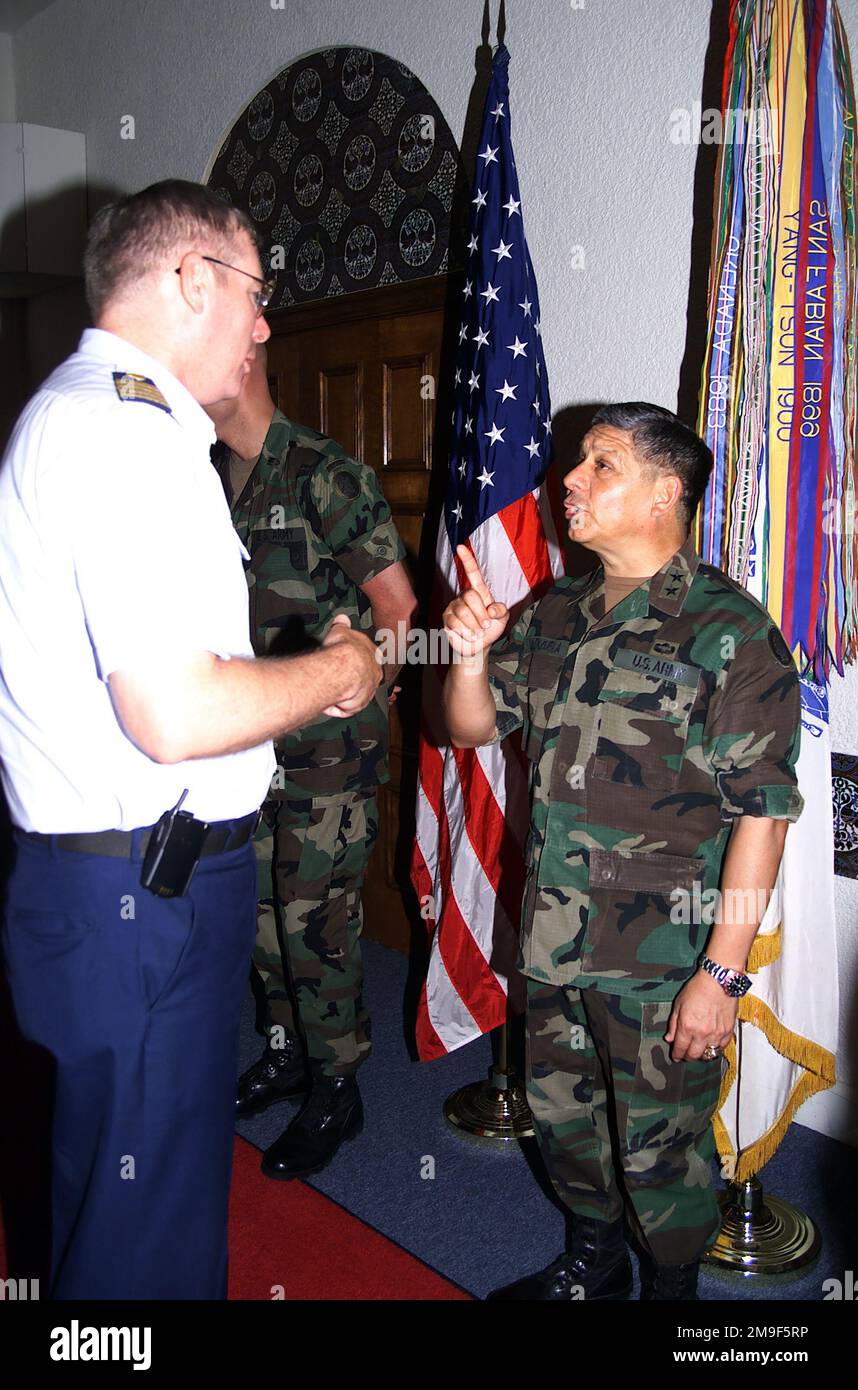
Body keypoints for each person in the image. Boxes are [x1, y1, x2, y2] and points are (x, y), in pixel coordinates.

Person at [0, 180, 381, 1300]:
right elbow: (173, 713)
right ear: (190, 280)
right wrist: (340, 671)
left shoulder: (84, 411)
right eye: (256, 295)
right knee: (145, 1242)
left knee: (106, 1203)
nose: (265, 327)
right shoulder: (130, 436)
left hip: (106, 887)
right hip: (145, 895)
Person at [441, 402, 803, 1301]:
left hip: (659, 956)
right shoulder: (554, 610)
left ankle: (674, 1298)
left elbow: (765, 813)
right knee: (565, 1123)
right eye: (579, 462)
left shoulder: (731, 632)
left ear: (664, 494)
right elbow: (471, 728)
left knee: (662, 1150)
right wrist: (470, 656)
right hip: (552, 935)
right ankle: (591, 1264)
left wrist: (720, 978)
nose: (571, 479)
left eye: (602, 465)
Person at [207, 345, 416, 1179]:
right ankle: (289, 1051)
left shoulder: (324, 474)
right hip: (243, 740)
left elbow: (397, 610)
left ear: (248, 354)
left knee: (316, 926)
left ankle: (338, 1085)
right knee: (259, 916)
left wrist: (374, 691)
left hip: (326, 756)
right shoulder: (200, 476)